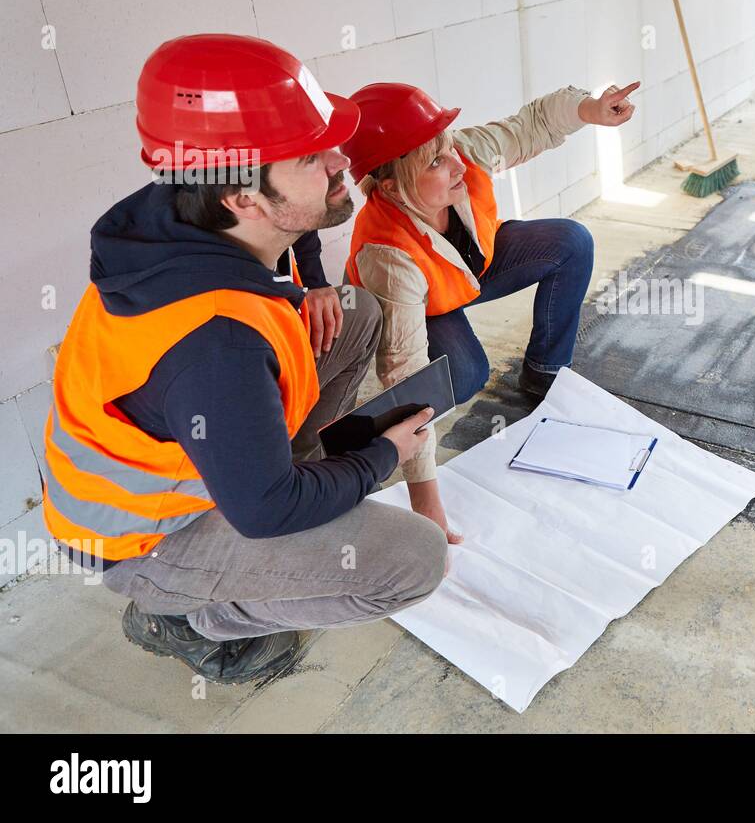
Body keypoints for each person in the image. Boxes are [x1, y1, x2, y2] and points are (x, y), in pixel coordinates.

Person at [41, 34, 444, 685]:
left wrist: (310, 286)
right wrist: (380, 458)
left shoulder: (189, 218)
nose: (340, 161)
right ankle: (188, 618)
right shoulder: (215, 348)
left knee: (356, 309)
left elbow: (289, 267)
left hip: (199, 446)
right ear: (245, 199)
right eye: (313, 157)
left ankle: (276, 479)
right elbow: (265, 510)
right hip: (143, 538)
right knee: (415, 559)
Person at [341, 80, 638, 542]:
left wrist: (589, 108)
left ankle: (544, 372)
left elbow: (531, 124)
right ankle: (371, 445)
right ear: (391, 187)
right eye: (436, 161)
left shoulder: (465, 154)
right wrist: (426, 503)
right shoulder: (387, 255)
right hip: (424, 305)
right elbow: (405, 372)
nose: (457, 162)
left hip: (473, 267)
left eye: (447, 147)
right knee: (463, 375)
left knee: (571, 240)